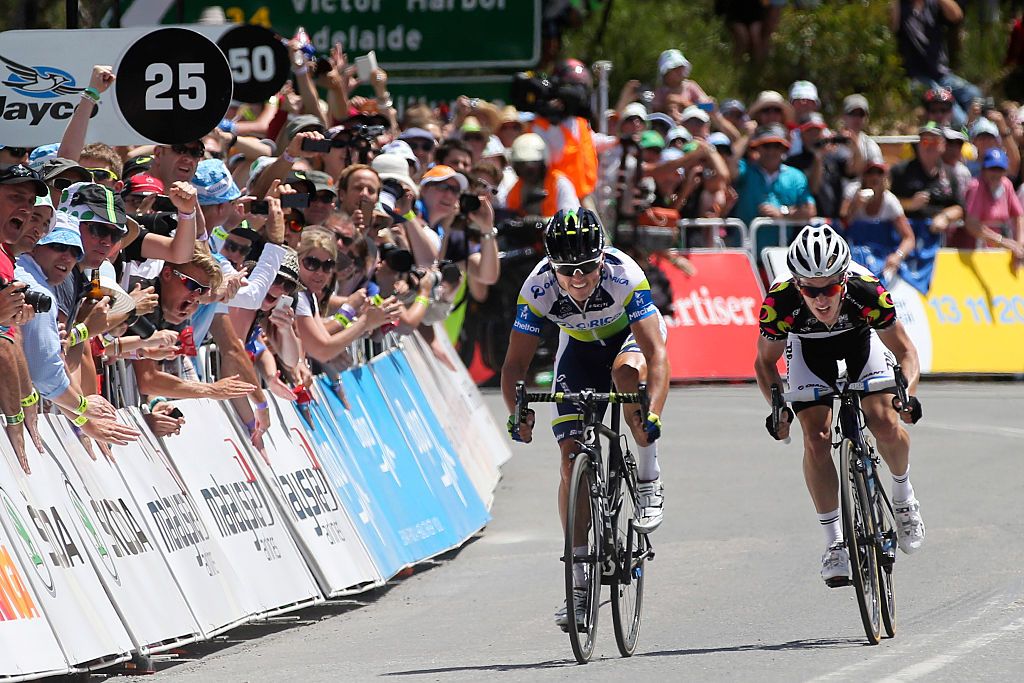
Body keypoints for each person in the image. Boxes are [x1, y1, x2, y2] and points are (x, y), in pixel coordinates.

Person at [500, 208, 669, 629]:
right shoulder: (537, 287)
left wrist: (654, 413)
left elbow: (657, 355)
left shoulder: (624, 275)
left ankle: (648, 478)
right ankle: (577, 583)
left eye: (587, 267)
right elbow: (513, 366)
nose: (578, 278)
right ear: (552, 266)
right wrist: (517, 413)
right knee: (569, 460)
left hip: (627, 343)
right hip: (576, 352)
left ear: (601, 257)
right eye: (567, 270)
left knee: (625, 375)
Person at [754, 225, 925, 585]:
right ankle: (835, 544)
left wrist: (905, 395)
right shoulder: (780, 301)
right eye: (810, 290)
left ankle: (904, 496)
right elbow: (764, 363)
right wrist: (777, 408)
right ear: (797, 284)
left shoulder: (868, 290)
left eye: (830, 288)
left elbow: (906, 352)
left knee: (884, 420)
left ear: (844, 280)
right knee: (816, 439)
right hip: (807, 349)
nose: (820, 299)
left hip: (859, 342)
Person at [891, 0, 981, 128]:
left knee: (974, 94)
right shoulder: (902, 6)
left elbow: (956, 16)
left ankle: (978, 133)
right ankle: (965, 133)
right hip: (918, 76)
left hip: (942, 73)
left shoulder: (933, 5)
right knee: (948, 104)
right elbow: (893, 27)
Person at [732, 124, 816, 226]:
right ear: (757, 148)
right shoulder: (745, 170)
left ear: (784, 149)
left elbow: (810, 210)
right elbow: (730, 162)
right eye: (766, 146)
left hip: (784, 242)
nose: (771, 151)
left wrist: (782, 213)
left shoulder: (796, 176)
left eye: (777, 146)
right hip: (745, 241)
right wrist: (747, 136)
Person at [955, 148, 1024, 263]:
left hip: (1001, 252)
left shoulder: (1006, 185)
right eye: (992, 169)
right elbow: (972, 225)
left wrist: (1019, 244)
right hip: (974, 252)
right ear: (984, 169)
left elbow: (1019, 216)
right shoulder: (975, 186)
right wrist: (1001, 241)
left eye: (1000, 169)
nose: (996, 174)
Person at [501, 133, 579, 217]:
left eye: (533, 165)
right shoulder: (515, 191)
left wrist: (543, 222)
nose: (528, 171)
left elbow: (571, 217)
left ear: (542, 164)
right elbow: (509, 219)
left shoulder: (559, 184)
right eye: (522, 165)